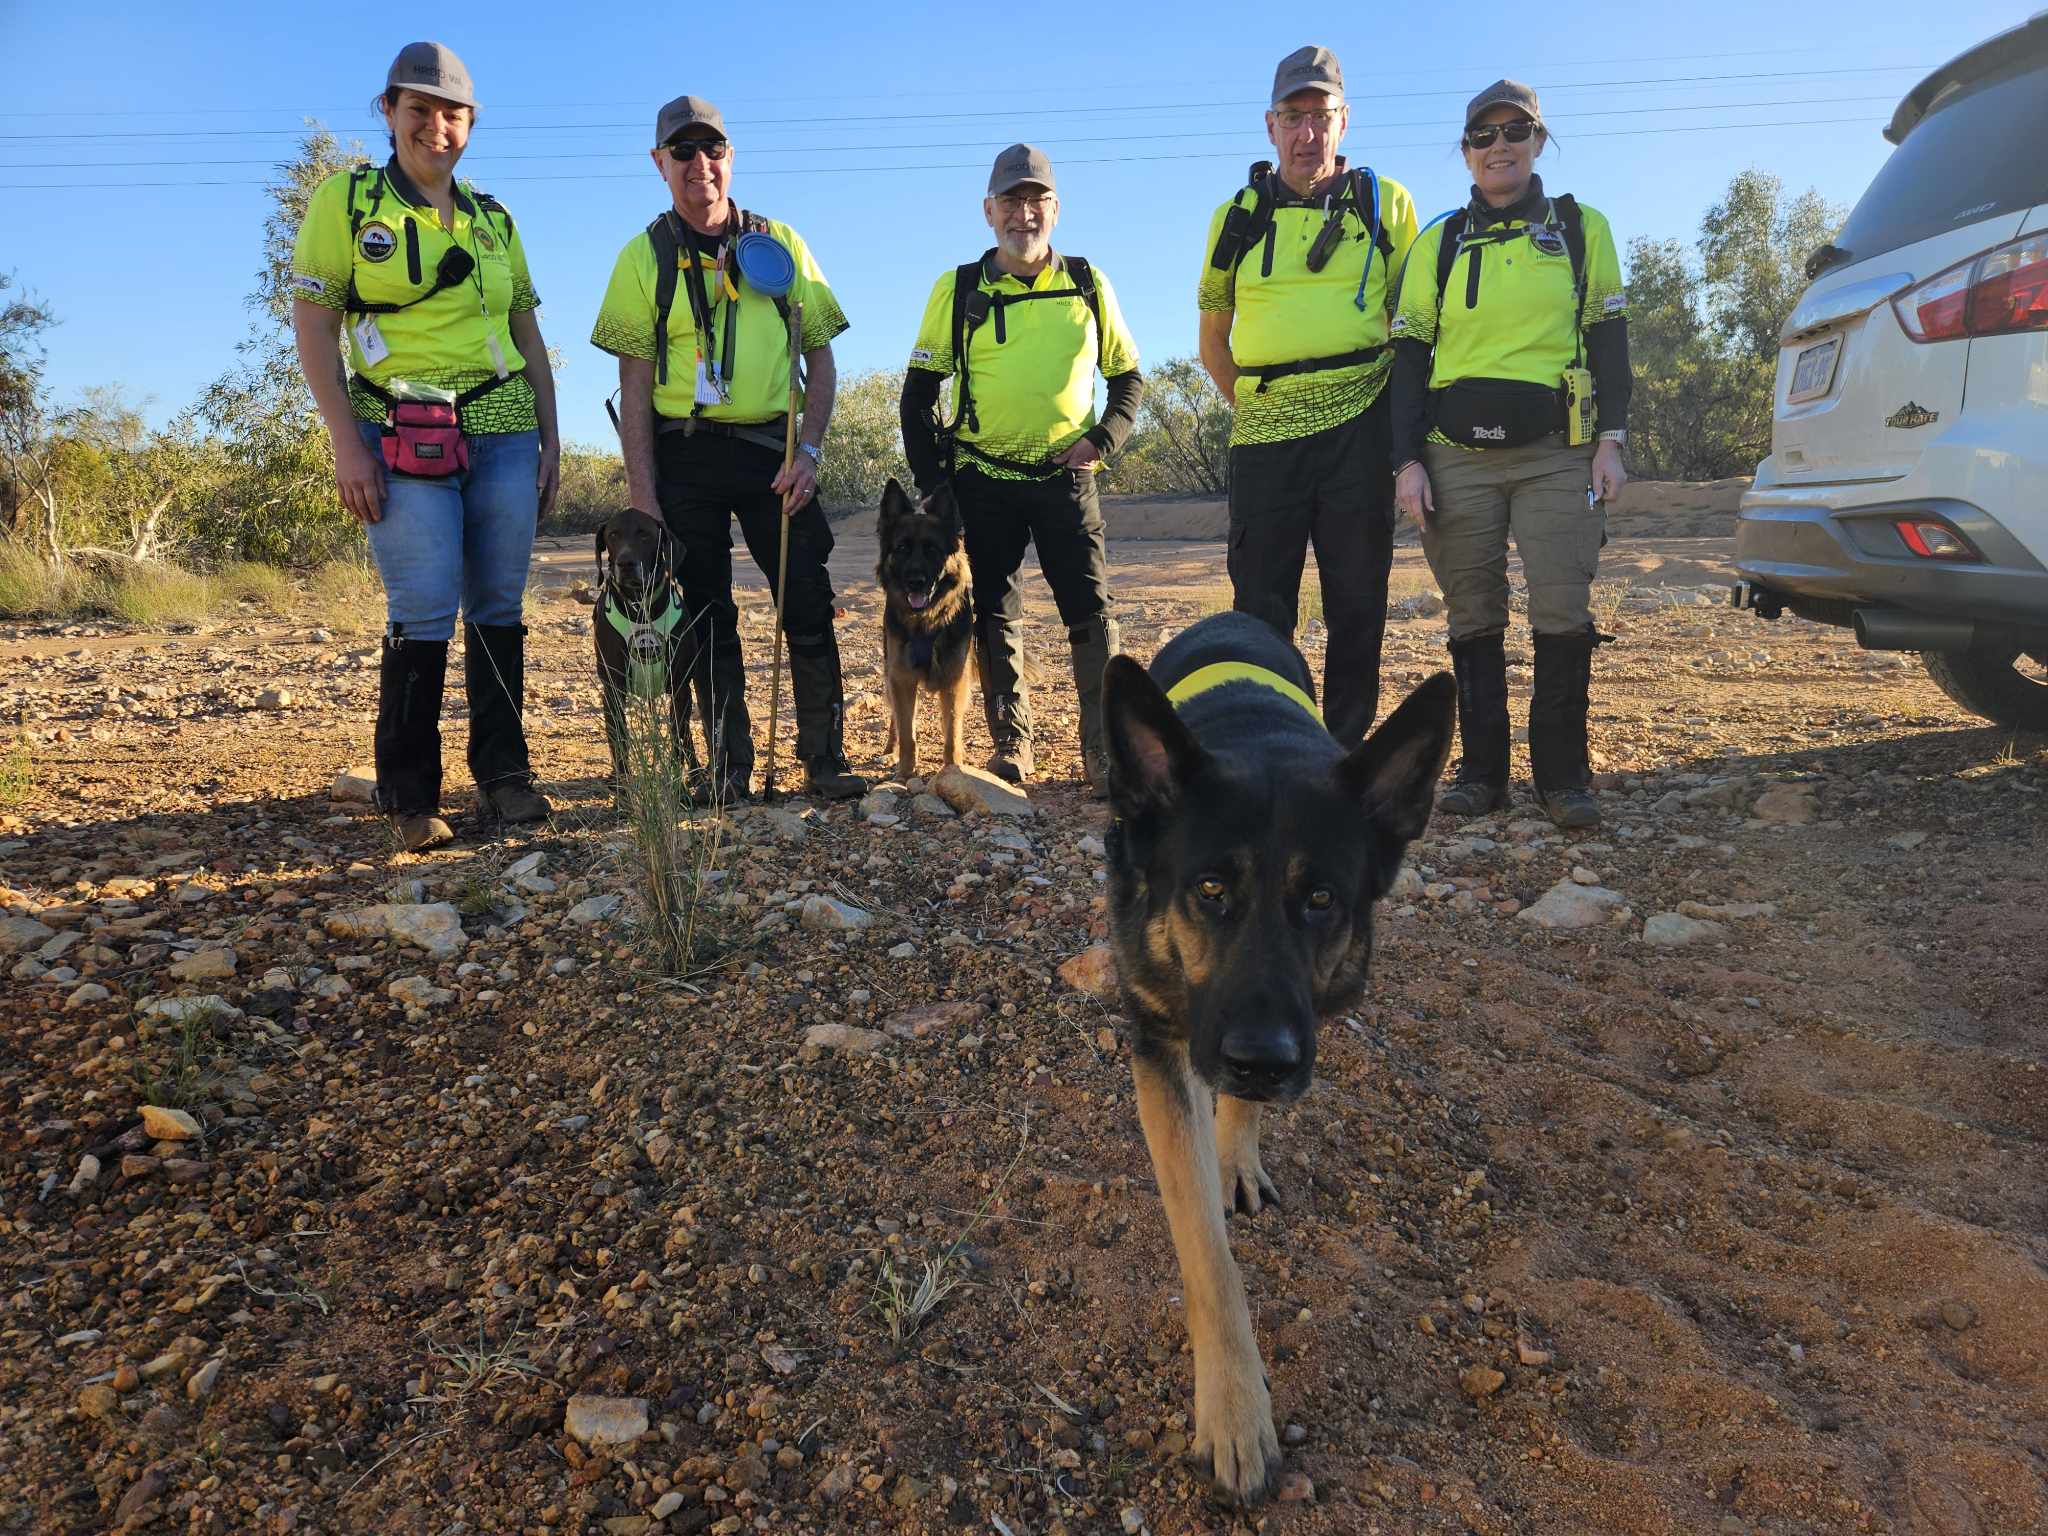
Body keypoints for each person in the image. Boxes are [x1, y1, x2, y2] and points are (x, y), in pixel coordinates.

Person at [291, 41, 559, 852]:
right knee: (423, 605)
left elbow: (526, 333)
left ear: (471, 123)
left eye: (452, 114)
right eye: (419, 110)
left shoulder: (494, 219)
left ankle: (505, 777)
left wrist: (551, 437)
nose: (435, 128)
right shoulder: (347, 203)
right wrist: (347, 444)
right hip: (400, 431)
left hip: (503, 427)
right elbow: (315, 326)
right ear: (389, 111)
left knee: (499, 606)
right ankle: (410, 794)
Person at [591, 94, 866, 802]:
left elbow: (822, 358)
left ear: (730, 158)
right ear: (659, 162)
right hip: (684, 458)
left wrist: (809, 452)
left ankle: (825, 760)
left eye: (712, 149)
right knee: (708, 614)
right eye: (682, 151)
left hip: (776, 455)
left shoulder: (781, 243)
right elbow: (634, 384)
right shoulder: (642, 256)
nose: (700, 164)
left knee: (807, 602)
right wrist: (644, 500)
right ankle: (728, 769)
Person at [1388, 79, 1632, 829]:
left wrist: (1612, 441)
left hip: (1558, 454)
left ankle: (1564, 778)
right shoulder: (1438, 241)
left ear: (1538, 141)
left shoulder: (1582, 229)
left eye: (1515, 132)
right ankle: (1482, 774)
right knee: (1473, 613)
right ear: (1466, 152)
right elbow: (1408, 358)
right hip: (1454, 458)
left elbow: (1609, 343)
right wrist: (1406, 462)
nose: (1500, 146)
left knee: (1561, 607)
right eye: (1484, 135)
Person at [899, 145, 1143, 793]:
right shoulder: (958, 289)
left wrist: (1102, 440)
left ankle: (1104, 754)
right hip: (981, 481)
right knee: (994, 613)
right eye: (1011, 201)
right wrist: (935, 488)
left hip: (1066, 479)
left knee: (1091, 612)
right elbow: (917, 395)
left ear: (1055, 210)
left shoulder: (1088, 284)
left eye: (1036, 201)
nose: (1023, 213)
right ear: (989, 211)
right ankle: (1013, 748)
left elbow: (1127, 379)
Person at [1196, 45, 1420, 749]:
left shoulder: (1387, 204)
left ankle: (1343, 753)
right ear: (1270, 126)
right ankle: (1269, 743)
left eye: (1320, 116)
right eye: (1292, 117)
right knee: (1260, 607)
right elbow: (1213, 341)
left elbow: (1415, 329)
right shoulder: (1235, 217)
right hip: (1265, 437)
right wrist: (1263, 405)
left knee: (1358, 598)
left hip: (1362, 429)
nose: (1306, 133)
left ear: (1343, 121)